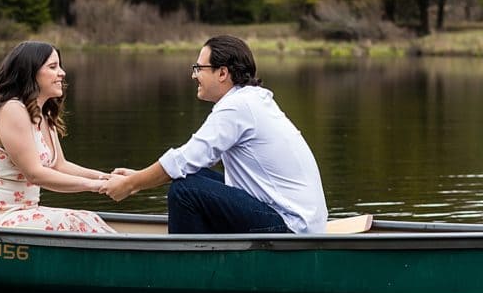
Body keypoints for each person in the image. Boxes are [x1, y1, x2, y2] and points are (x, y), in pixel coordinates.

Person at [104, 35, 327, 235]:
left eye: (199, 68)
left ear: (222, 73)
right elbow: (186, 165)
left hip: (291, 226)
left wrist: (132, 184)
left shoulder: (237, 107)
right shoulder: (249, 100)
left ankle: (189, 268)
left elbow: (184, 158)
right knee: (193, 177)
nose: (193, 75)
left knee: (185, 190)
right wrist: (141, 176)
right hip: (294, 218)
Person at [0, 40, 120, 234]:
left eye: (59, 66)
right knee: (71, 221)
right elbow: (35, 174)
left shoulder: (44, 114)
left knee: (88, 218)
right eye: (53, 67)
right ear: (30, 73)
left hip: (23, 212)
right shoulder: (13, 109)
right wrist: (98, 186)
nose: (62, 73)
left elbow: (60, 165)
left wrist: (108, 178)